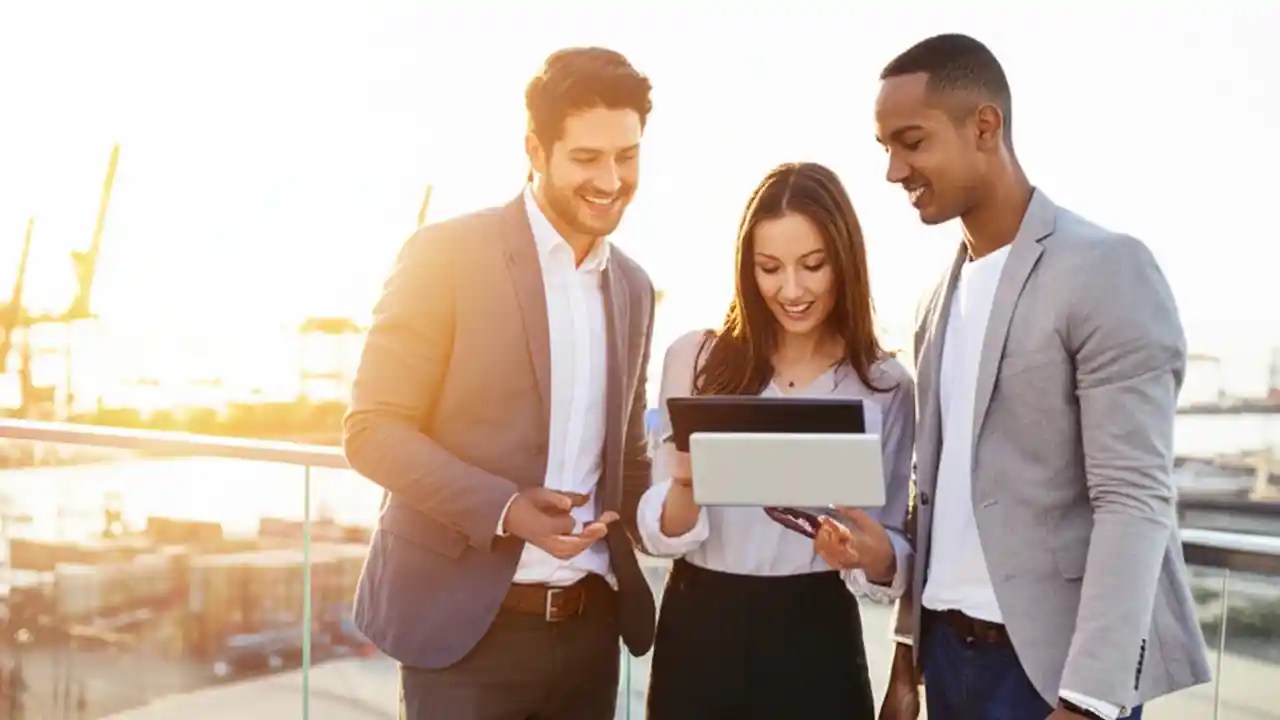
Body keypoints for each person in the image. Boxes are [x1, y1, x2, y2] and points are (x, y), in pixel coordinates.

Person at [872, 33, 1212, 720]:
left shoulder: (1106, 268)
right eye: (884, 147)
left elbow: (1135, 498)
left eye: (911, 141)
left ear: (984, 126)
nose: (893, 170)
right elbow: (929, 493)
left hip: (1049, 681)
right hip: (944, 659)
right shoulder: (935, 299)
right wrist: (906, 657)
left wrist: (1086, 701)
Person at [342, 46, 659, 720]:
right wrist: (506, 508)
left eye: (626, 156)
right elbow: (372, 432)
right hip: (463, 642)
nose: (611, 179)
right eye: (586, 158)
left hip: (590, 634)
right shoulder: (447, 254)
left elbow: (628, 465)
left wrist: (726, 487)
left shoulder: (633, 286)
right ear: (535, 150)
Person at [638, 161, 916, 719]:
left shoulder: (883, 387)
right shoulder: (695, 360)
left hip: (817, 631)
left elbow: (889, 555)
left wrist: (868, 553)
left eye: (813, 266)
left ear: (845, 262)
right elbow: (660, 532)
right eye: (769, 268)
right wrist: (689, 481)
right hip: (700, 626)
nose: (791, 290)